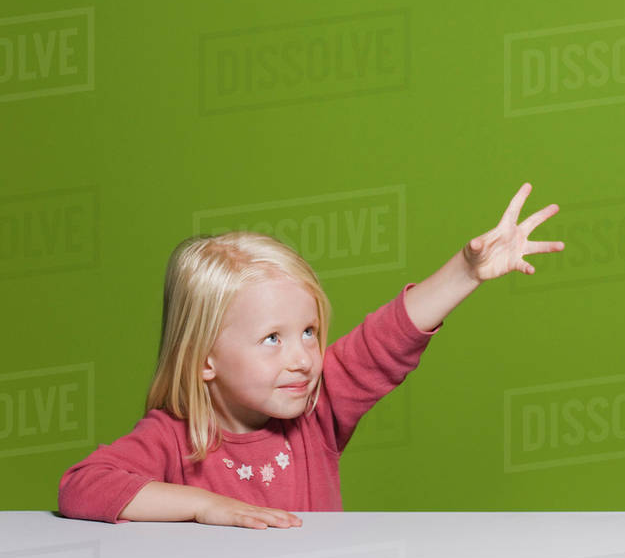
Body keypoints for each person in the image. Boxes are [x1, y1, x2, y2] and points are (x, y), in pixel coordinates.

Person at [58, 181, 563, 530]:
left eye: (308, 332)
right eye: (272, 339)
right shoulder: (172, 437)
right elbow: (81, 487)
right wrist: (204, 506)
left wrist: (465, 272)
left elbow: (386, 339)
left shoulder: (319, 408)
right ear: (204, 359)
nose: (302, 358)